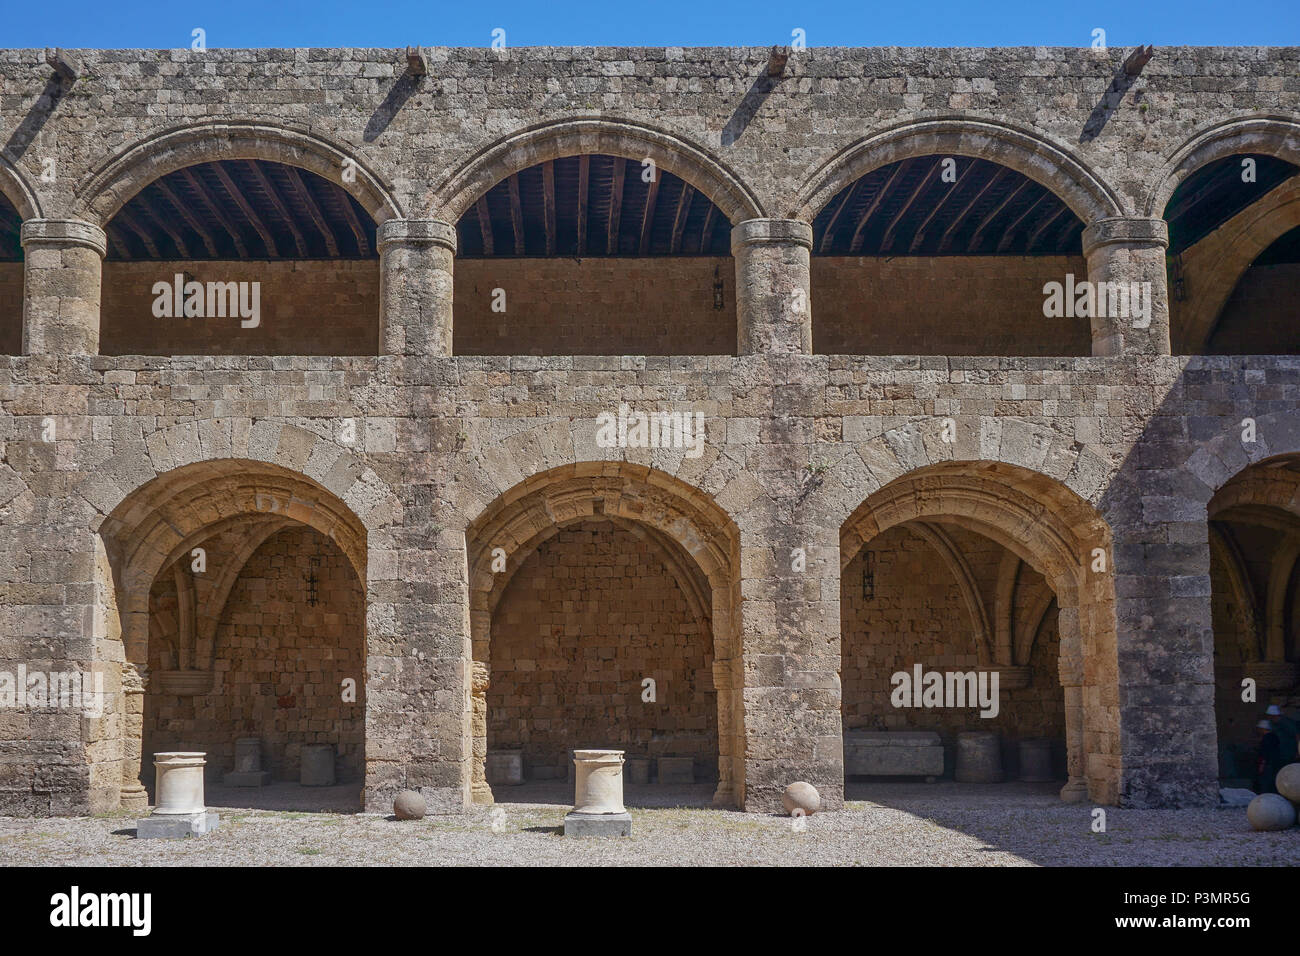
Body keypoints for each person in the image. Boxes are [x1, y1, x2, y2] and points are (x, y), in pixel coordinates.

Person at [1254, 719, 1284, 794]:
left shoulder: (1266, 738)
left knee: (1265, 783)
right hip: (1274, 764)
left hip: (1267, 765)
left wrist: (1262, 765)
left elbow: (1265, 753)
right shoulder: (1274, 737)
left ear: (1263, 729)